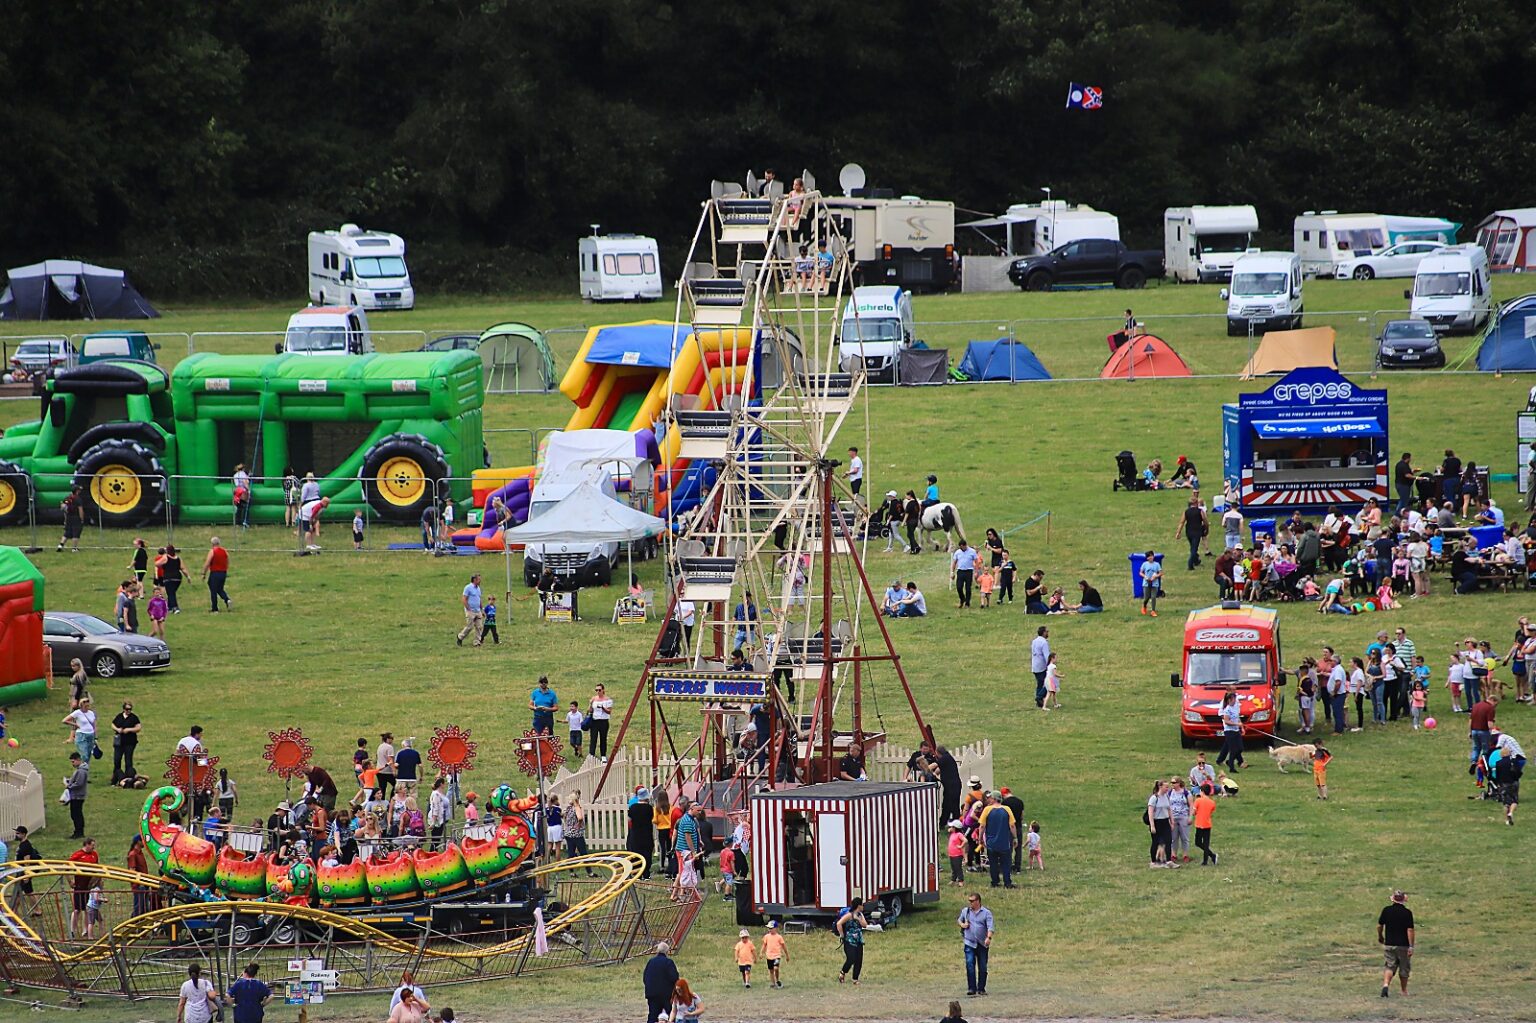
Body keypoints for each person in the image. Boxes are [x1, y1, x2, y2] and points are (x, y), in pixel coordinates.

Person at [1377, 890, 1415, 998]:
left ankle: (1385, 985)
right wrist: (1411, 946)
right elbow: (1410, 930)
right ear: (1403, 900)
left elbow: (1379, 925)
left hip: (1389, 943)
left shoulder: (1386, 910)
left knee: (1389, 966)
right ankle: (1403, 990)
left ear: (1393, 899)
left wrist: (1380, 936)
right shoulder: (1407, 913)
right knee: (1404, 968)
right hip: (1403, 945)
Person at [957, 890, 994, 997]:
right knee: (969, 964)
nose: (970, 903)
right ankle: (971, 988)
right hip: (969, 942)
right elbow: (959, 920)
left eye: (972, 901)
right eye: (969, 901)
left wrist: (988, 938)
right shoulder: (966, 911)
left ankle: (981, 988)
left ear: (978, 901)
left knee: (982, 966)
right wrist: (962, 925)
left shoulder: (986, 913)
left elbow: (990, 927)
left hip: (982, 943)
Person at [979, 793, 1016, 888]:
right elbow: (1012, 825)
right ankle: (1007, 882)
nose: (989, 800)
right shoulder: (1007, 809)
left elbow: (982, 826)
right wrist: (1015, 837)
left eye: (990, 798)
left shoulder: (987, 810)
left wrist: (980, 838)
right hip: (1004, 842)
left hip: (991, 842)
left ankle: (995, 882)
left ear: (994, 799)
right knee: (1006, 864)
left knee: (993, 863)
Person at [66, 836, 97, 937]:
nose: (93, 847)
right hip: (79, 886)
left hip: (88, 886)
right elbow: (66, 867)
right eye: (92, 845)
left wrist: (94, 881)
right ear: (86, 845)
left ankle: (85, 929)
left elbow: (98, 869)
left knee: (86, 908)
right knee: (77, 909)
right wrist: (70, 881)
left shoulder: (94, 854)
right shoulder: (78, 855)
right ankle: (72, 930)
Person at [643, 941, 680, 1023]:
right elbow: (674, 978)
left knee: (653, 1015)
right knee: (671, 1014)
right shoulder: (668, 962)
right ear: (667, 952)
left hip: (652, 994)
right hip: (667, 995)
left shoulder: (650, 962)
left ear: (657, 951)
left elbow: (645, 978)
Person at [836, 898, 867, 985]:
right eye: (862, 905)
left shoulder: (860, 915)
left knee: (859, 960)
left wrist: (858, 919)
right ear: (858, 906)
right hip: (849, 940)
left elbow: (865, 925)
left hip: (858, 940)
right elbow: (839, 923)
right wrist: (842, 935)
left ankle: (855, 979)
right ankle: (842, 973)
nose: (863, 906)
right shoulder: (849, 915)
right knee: (851, 958)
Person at [627, 787, 656, 877]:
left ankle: (637, 873)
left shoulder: (632, 808)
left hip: (636, 834)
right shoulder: (649, 808)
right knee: (647, 853)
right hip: (647, 834)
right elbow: (651, 818)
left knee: (636, 853)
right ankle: (646, 873)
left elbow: (629, 820)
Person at [1175, 495, 1207, 570]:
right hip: (1197, 531)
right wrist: (1206, 529)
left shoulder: (1186, 511)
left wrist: (1178, 532)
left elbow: (1182, 522)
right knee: (1194, 548)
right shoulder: (1200, 511)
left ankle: (1196, 561)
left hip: (1189, 532)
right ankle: (1190, 564)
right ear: (1196, 503)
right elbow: (1205, 521)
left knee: (1193, 546)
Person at [63, 695, 97, 763]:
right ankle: (81, 767)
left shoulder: (91, 713)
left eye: (88, 705)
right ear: (82, 705)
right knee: (84, 755)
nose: (87, 706)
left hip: (90, 735)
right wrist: (75, 724)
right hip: (81, 735)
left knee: (88, 755)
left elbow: (94, 726)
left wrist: (96, 737)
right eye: (86, 705)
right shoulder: (77, 712)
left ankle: (84, 768)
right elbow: (64, 720)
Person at [64, 751, 90, 838]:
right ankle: (78, 831)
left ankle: (79, 832)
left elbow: (79, 783)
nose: (72, 764)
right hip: (77, 795)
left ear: (78, 760)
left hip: (78, 796)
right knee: (76, 814)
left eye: (73, 761)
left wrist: (69, 786)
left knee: (76, 815)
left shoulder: (81, 771)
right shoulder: (80, 770)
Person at [1192, 783, 1218, 865]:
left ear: (1202, 791)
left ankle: (1211, 856)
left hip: (1199, 824)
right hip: (1207, 824)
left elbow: (1193, 812)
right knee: (1206, 843)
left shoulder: (1198, 800)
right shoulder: (1212, 802)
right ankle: (1206, 859)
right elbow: (1211, 811)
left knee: (1198, 842)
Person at [457, 574, 484, 646]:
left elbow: (479, 599)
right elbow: (464, 599)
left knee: (479, 627)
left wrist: (482, 609)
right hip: (470, 611)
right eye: (479, 579)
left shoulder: (478, 588)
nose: (480, 581)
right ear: (474, 580)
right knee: (470, 627)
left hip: (478, 610)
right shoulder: (468, 587)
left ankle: (477, 642)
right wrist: (468, 609)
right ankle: (460, 637)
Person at [589, 683, 614, 763]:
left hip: (603, 721)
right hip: (595, 721)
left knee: (603, 738)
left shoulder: (608, 700)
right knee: (593, 738)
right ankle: (591, 755)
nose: (598, 692)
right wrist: (590, 704)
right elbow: (590, 710)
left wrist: (603, 708)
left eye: (599, 690)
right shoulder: (594, 699)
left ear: (603, 690)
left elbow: (609, 711)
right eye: (596, 690)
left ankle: (603, 755)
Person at [951, 539, 977, 609]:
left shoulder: (972, 551)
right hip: (960, 571)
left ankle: (967, 603)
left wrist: (976, 571)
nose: (961, 549)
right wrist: (952, 572)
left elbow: (976, 561)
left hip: (969, 571)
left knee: (968, 588)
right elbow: (954, 562)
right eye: (960, 547)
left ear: (965, 545)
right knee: (959, 587)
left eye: (962, 547)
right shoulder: (958, 552)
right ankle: (962, 599)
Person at [762, 920, 788, 988]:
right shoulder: (766, 936)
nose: (769, 930)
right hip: (769, 956)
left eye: (771, 928)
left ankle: (777, 980)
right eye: (769, 928)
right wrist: (761, 953)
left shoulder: (779, 937)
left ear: (775, 928)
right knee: (771, 970)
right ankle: (773, 983)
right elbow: (764, 945)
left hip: (777, 956)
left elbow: (783, 946)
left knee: (776, 968)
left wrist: (787, 955)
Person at [1030, 626, 1051, 708]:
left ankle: (1039, 703)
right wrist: (1050, 665)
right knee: (1049, 683)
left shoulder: (1034, 641)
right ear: (1043, 633)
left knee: (1040, 683)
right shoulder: (1044, 643)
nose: (1048, 633)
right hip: (1042, 666)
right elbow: (1047, 656)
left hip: (1035, 666)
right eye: (1047, 631)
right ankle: (1039, 697)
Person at [1139, 551, 1162, 616]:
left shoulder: (1157, 564)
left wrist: (1155, 576)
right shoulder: (1144, 564)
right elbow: (1140, 572)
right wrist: (1145, 577)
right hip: (1146, 583)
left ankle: (1153, 611)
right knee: (1146, 597)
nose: (1150, 557)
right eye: (1149, 556)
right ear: (1147, 558)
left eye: (1151, 556)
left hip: (1155, 583)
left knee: (1153, 597)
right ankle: (1144, 606)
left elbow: (1161, 573)